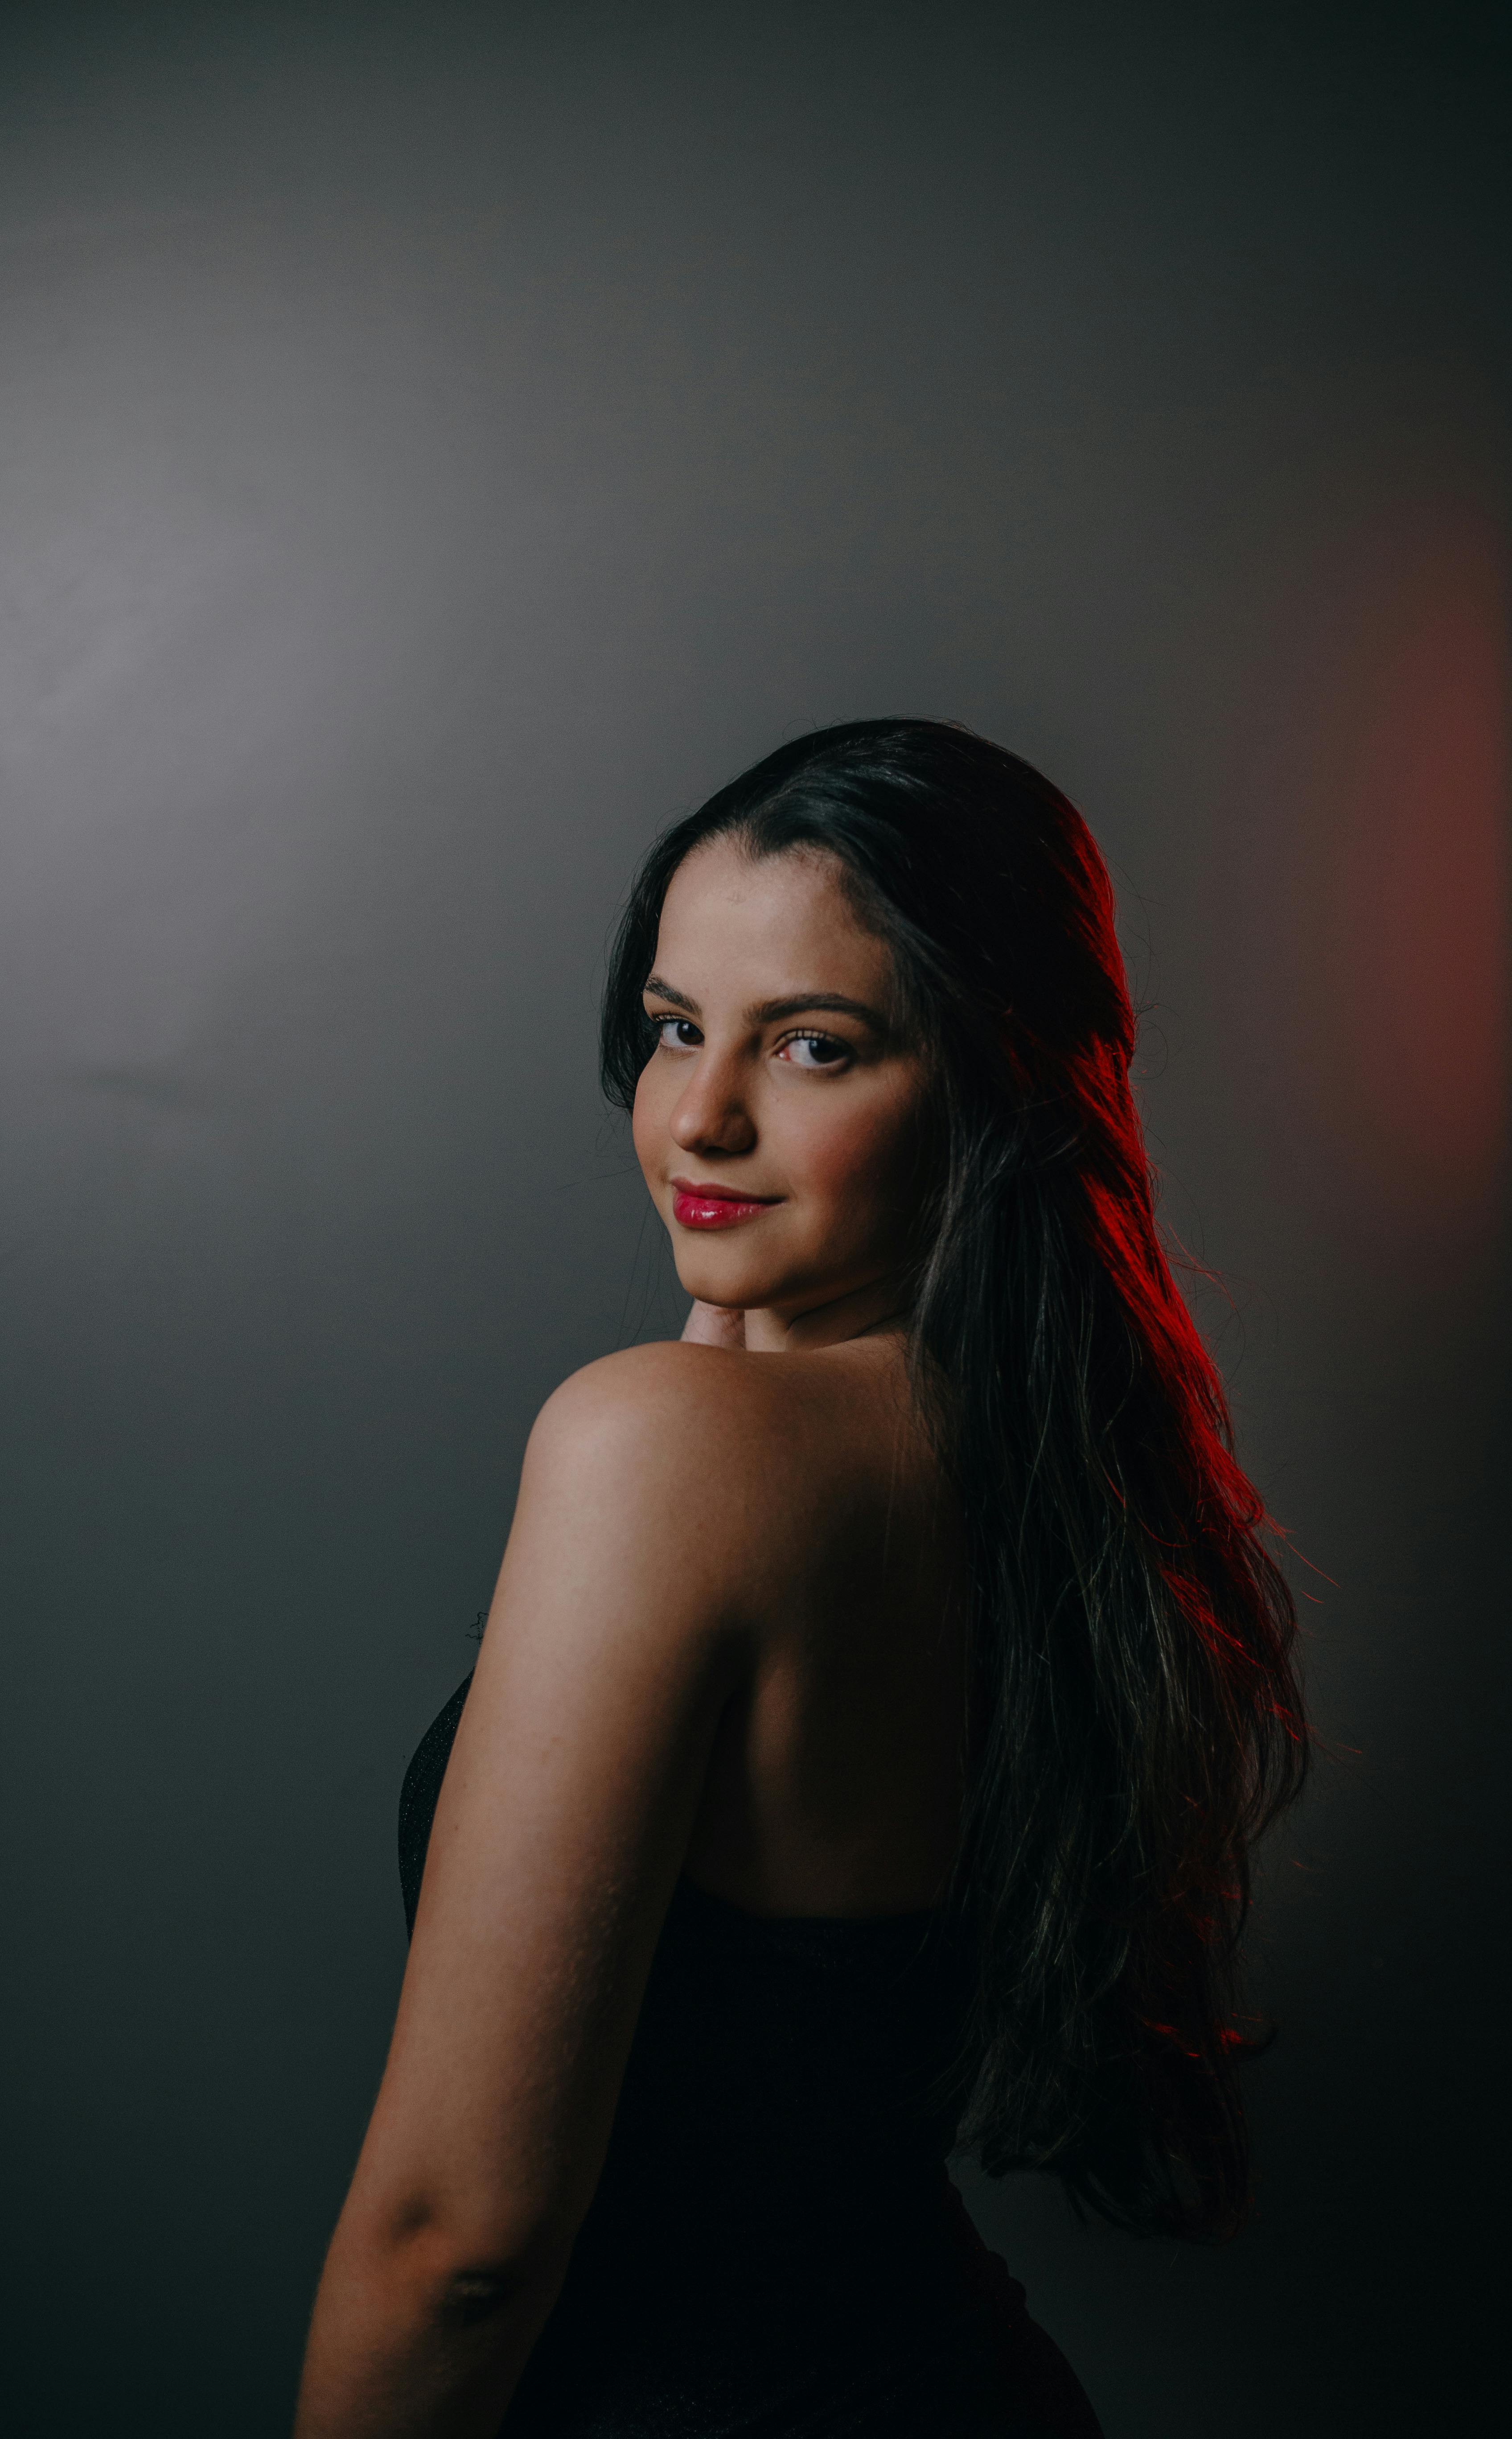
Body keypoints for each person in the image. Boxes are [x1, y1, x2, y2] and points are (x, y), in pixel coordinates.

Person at [293, 720, 1307, 2437]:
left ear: (990, 1079)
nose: (699, 1115)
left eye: (817, 1047)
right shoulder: (1059, 1462)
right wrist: (740, 1318)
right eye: (676, 1028)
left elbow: (458, 2243)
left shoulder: (666, 1454)